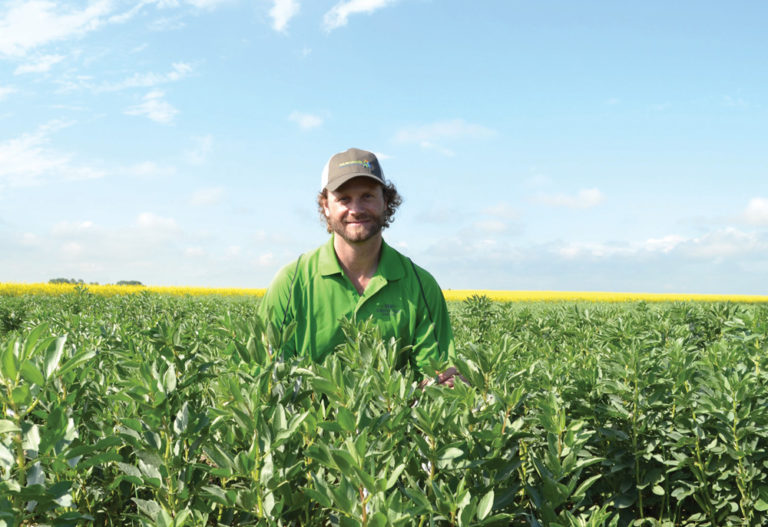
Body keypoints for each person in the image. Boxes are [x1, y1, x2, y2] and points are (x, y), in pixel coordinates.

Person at [258, 147, 459, 385]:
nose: (356, 209)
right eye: (344, 198)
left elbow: (438, 380)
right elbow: (266, 380)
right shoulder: (291, 284)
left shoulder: (420, 286)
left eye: (367, 196)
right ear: (326, 205)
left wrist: (443, 385)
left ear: (386, 201)